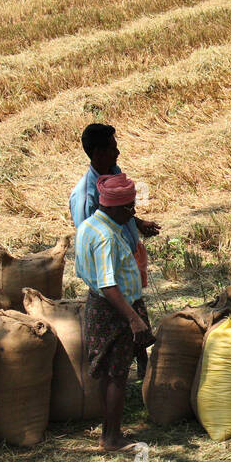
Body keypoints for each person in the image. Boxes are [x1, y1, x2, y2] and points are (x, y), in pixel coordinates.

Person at [74, 172, 155, 453]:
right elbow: (109, 285)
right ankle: (111, 437)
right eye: (128, 209)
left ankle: (110, 430)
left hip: (101, 304)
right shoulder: (106, 237)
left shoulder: (89, 226)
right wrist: (132, 318)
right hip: (114, 309)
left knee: (108, 372)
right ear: (112, 206)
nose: (131, 214)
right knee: (117, 374)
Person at [70, 122, 158, 376]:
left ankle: (143, 366)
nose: (117, 153)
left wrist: (138, 222)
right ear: (97, 153)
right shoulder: (86, 197)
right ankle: (120, 377)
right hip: (111, 270)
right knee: (124, 324)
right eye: (112, 148)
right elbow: (91, 240)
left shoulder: (113, 172)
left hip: (126, 259)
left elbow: (121, 212)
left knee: (138, 316)